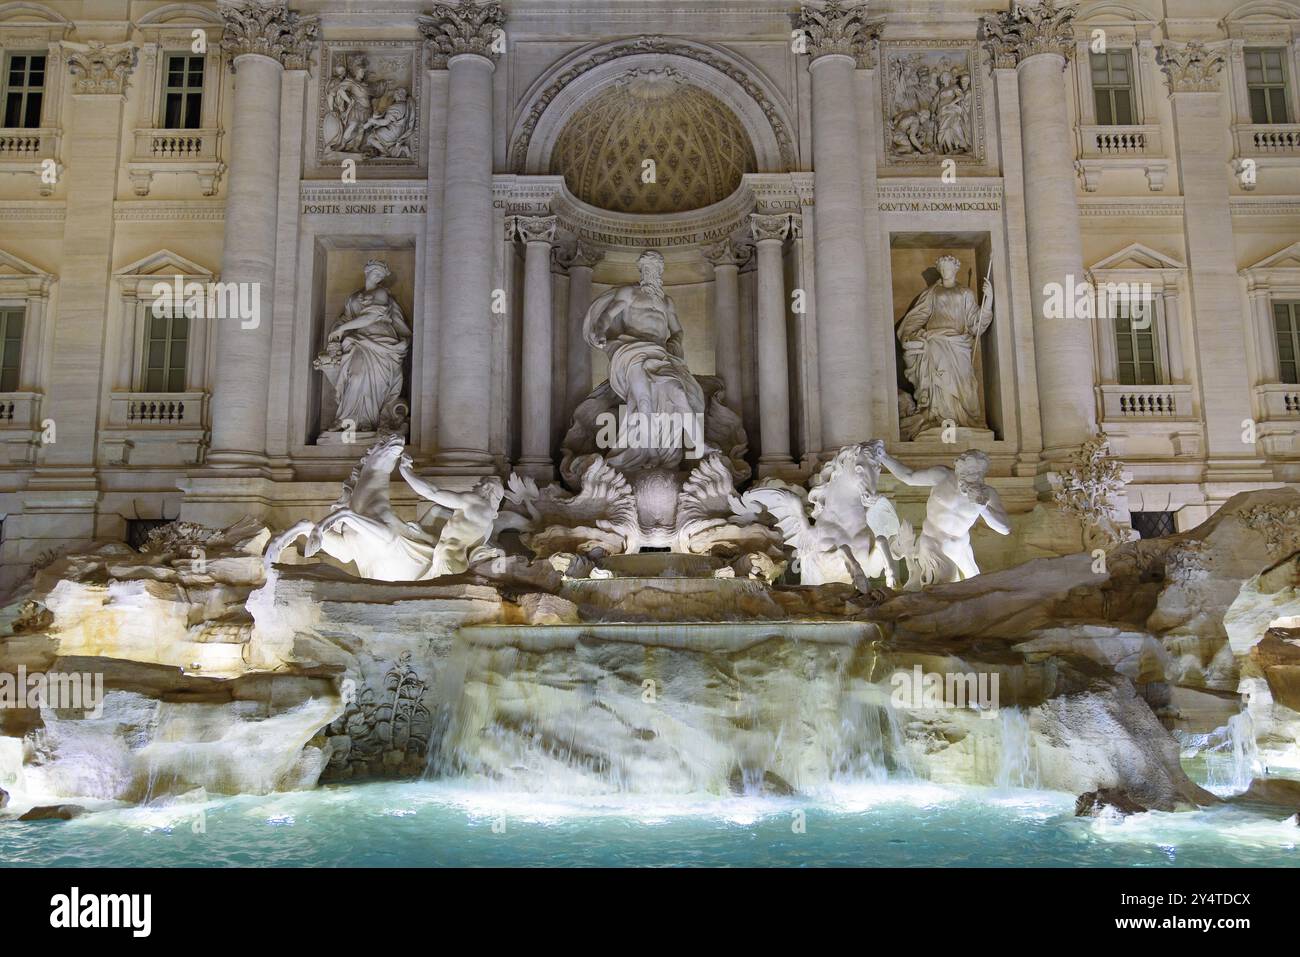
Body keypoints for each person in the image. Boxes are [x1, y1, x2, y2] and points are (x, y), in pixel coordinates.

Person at [896, 255, 993, 439]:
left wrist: (988, 300)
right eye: (942, 269)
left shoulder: (965, 293)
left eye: (948, 269)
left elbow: (975, 323)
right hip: (935, 341)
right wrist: (910, 334)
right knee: (938, 382)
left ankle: (962, 419)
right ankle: (938, 417)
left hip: (959, 344)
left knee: (964, 382)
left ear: (955, 270)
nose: (945, 272)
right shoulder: (932, 292)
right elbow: (918, 316)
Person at [878, 449, 1010, 584]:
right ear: (959, 468)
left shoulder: (986, 493)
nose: (974, 477)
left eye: (978, 474)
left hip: (959, 547)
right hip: (932, 542)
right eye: (969, 472)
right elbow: (908, 476)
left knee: (977, 585)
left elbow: (1005, 529)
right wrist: (883, 457)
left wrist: (982, 507)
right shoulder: (942, 476)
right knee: (945, 581)